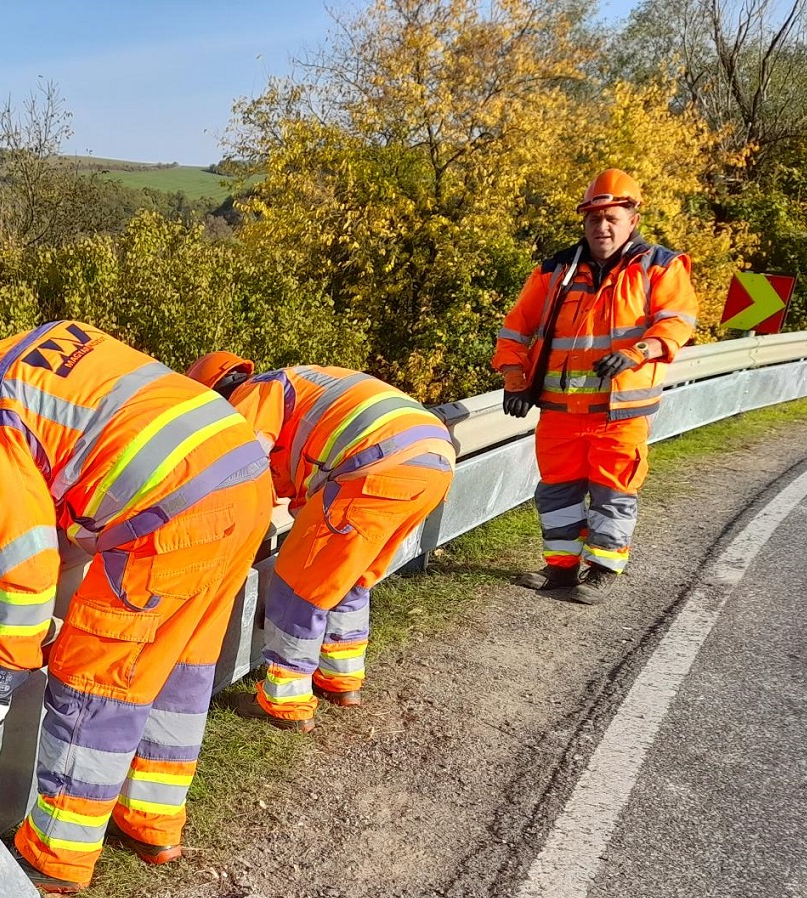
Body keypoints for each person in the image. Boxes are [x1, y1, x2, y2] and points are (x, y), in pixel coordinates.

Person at [0, 322, 273, 894]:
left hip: (173, 518)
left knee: (92, 682)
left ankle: (55, 857)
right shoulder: (51, 338)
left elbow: (26, 566)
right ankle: (153, 822)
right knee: (180, 668)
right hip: (245, 477)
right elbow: (98, 458)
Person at [186, 356, 455, 731]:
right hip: (432, 460)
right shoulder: (304, 384)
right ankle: (340, 680)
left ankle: (286, 702)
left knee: (300, 586)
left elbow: (241, 467)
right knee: (348, 578)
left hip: (371, 469)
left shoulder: (252, 394)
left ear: (215, 394)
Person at [494, 168, 698, 603]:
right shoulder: (555, 270)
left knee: (613, 492)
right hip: (560, 410)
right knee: (557, 492)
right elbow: (515, 330)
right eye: (594, 219)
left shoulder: (660, 266)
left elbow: (677, 321)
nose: (602, 227)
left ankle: (603, 569)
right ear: (584, 222)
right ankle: (561, 569)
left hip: (619, 411)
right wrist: (515, 378)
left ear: (632, 219)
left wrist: (637, 352)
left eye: (611, 218)